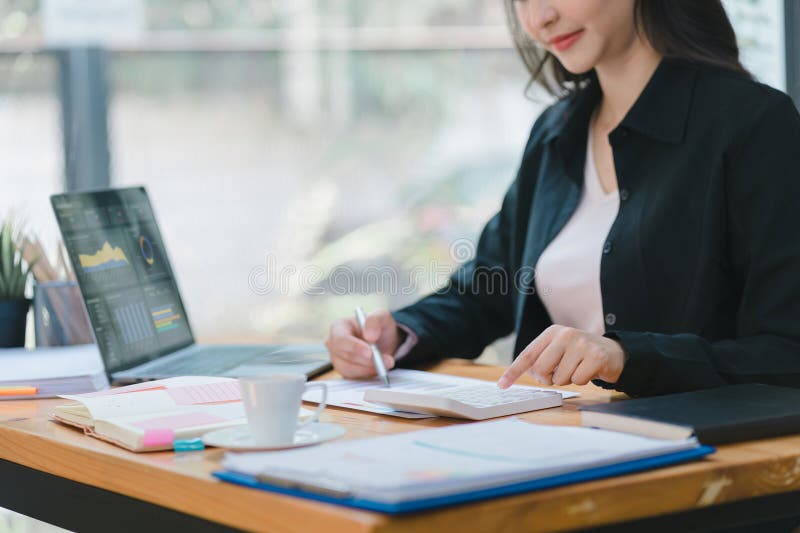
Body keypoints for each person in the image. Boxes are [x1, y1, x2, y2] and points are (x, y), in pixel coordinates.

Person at [325, 0, 800, 397]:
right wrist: (397, 334)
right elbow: (489, 287)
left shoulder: (754, 126)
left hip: (694, 469)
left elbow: (786, 352)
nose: (539, 18)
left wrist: (622, 356)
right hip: (555, 445)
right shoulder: (556, 132)